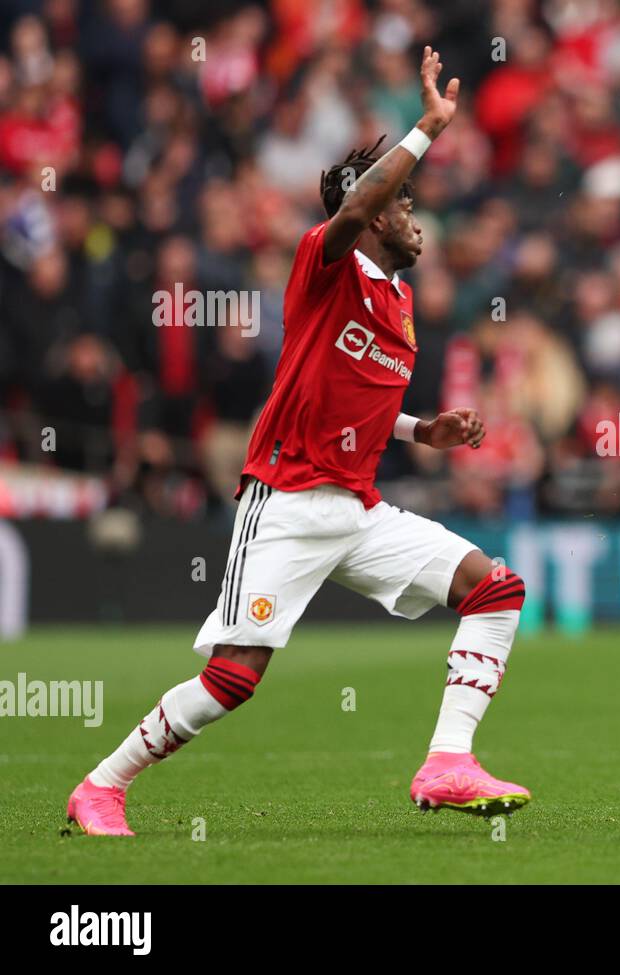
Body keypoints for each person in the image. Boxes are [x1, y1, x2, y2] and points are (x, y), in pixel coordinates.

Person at [67, 50, 531, 836]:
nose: (417, 217)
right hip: (285, 500)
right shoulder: (328, 262)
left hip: (356, 505)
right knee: (232, 680)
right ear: (376, 211)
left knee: (495, 588)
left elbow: (353, 402)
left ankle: (448, 761)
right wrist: (426, 127)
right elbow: (351, 211)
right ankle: (101, 786)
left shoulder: (400, 300)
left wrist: (425, 429)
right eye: (405, 202)